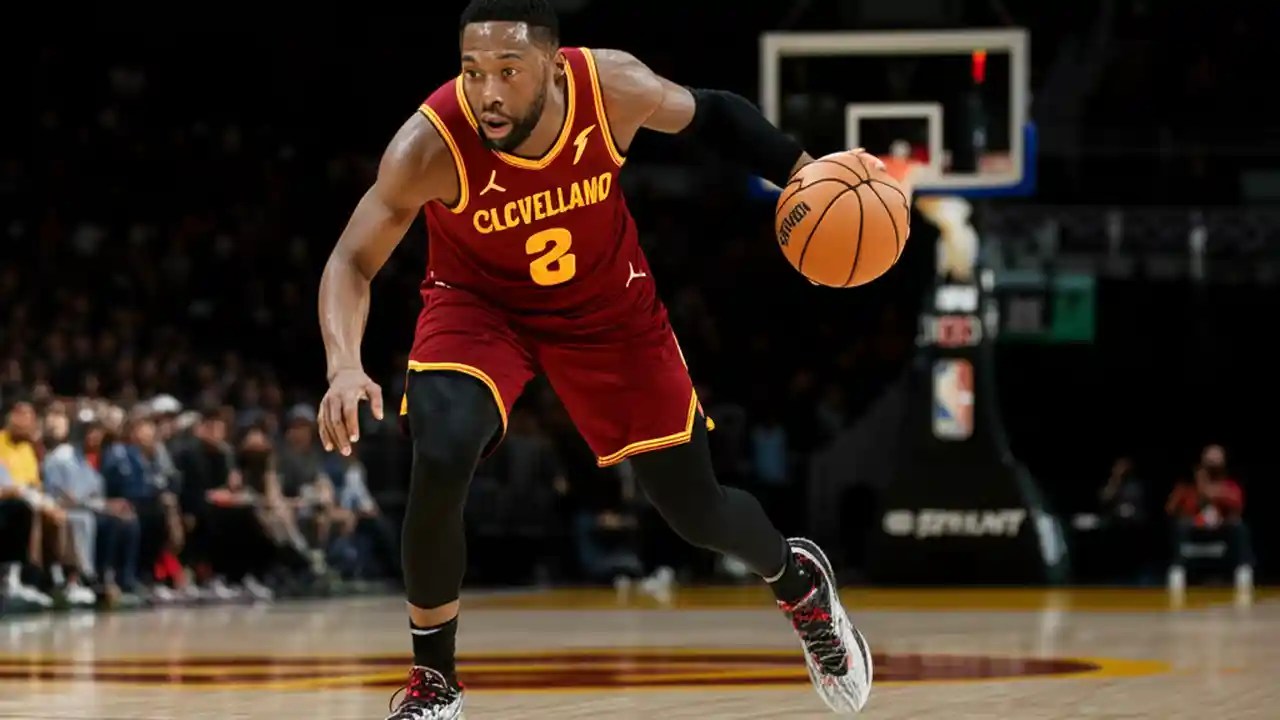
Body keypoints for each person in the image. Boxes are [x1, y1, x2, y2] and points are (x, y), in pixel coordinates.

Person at [317, 1, 873, 716]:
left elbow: (718, 115)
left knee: (694, 510)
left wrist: (803, 169)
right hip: (481, 306)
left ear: (552, 65)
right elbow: (351, 259)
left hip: (609, 309)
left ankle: (798, 582)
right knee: (443, 443)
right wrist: (343, 363)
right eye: (472, 70)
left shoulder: (609, 88)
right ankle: (434, 685)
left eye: (508, 71)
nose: (487, 92)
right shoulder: (430, 145)